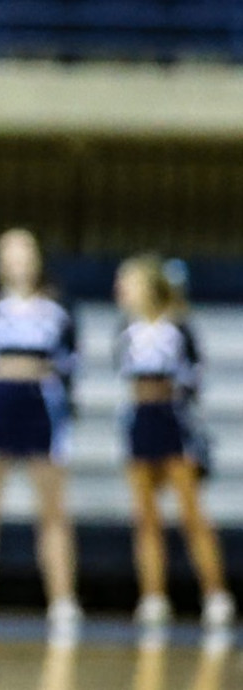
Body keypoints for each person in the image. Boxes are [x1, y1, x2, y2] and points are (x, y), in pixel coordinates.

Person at [0, 229, 82, 638]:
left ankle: (62, 600)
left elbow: (70, 362)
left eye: (26, 251)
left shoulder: (57, 309)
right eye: (10, 253)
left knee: (53, 509)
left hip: (41, 406)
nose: (19, 260)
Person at [113, 255, 232, 630]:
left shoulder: (178, 328)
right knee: (145, 516)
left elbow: (193, 376)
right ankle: (153, 596)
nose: (121, 289)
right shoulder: (126, 329)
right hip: (140, 419)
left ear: (148, 285)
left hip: (173, 419)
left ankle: (215, 594)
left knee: (191, 512)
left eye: (128, 281)